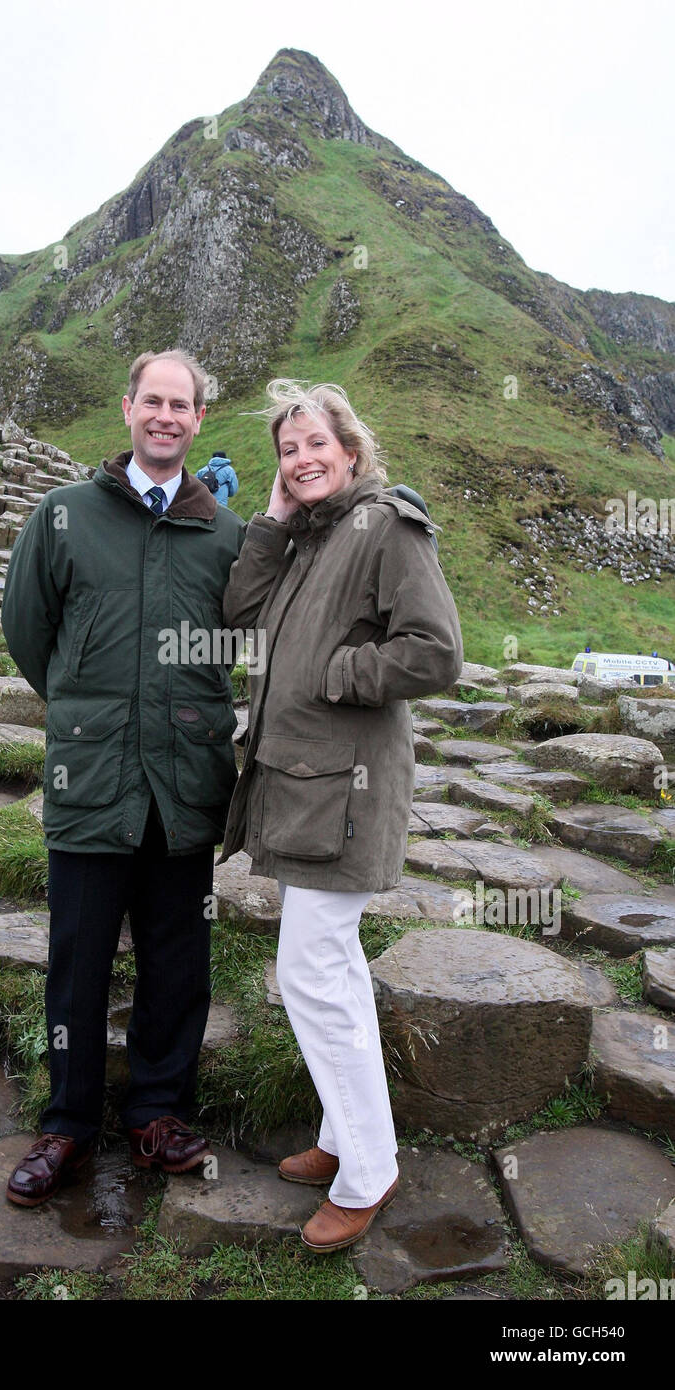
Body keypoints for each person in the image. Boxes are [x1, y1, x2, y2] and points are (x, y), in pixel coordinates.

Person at [218, 379, 463, 1251]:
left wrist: (340, 674)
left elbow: (436, 652)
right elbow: (238, 612)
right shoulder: (313, 536)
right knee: (334, 972)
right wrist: (275, 516)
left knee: (314, 975)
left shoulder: (387, 526)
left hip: (347, 794)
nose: (303, 457)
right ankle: (342, 1136)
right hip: (302, 788)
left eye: (316, 443)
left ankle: (368, 1170)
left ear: (352, 449)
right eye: (288, 449)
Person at [0, 348, 245, 1205]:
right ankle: (66, 1123)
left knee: (179, 962)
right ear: (128, 408)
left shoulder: (226, 534)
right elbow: (28, 632)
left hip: (185, 785)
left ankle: (158, 1112)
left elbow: (253, 630)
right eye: (155, 401)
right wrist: (85, 709)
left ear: (199, 420)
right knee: (77, 961)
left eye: (183, 405)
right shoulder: (64, 515)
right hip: (91, 779)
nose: (167, 417)